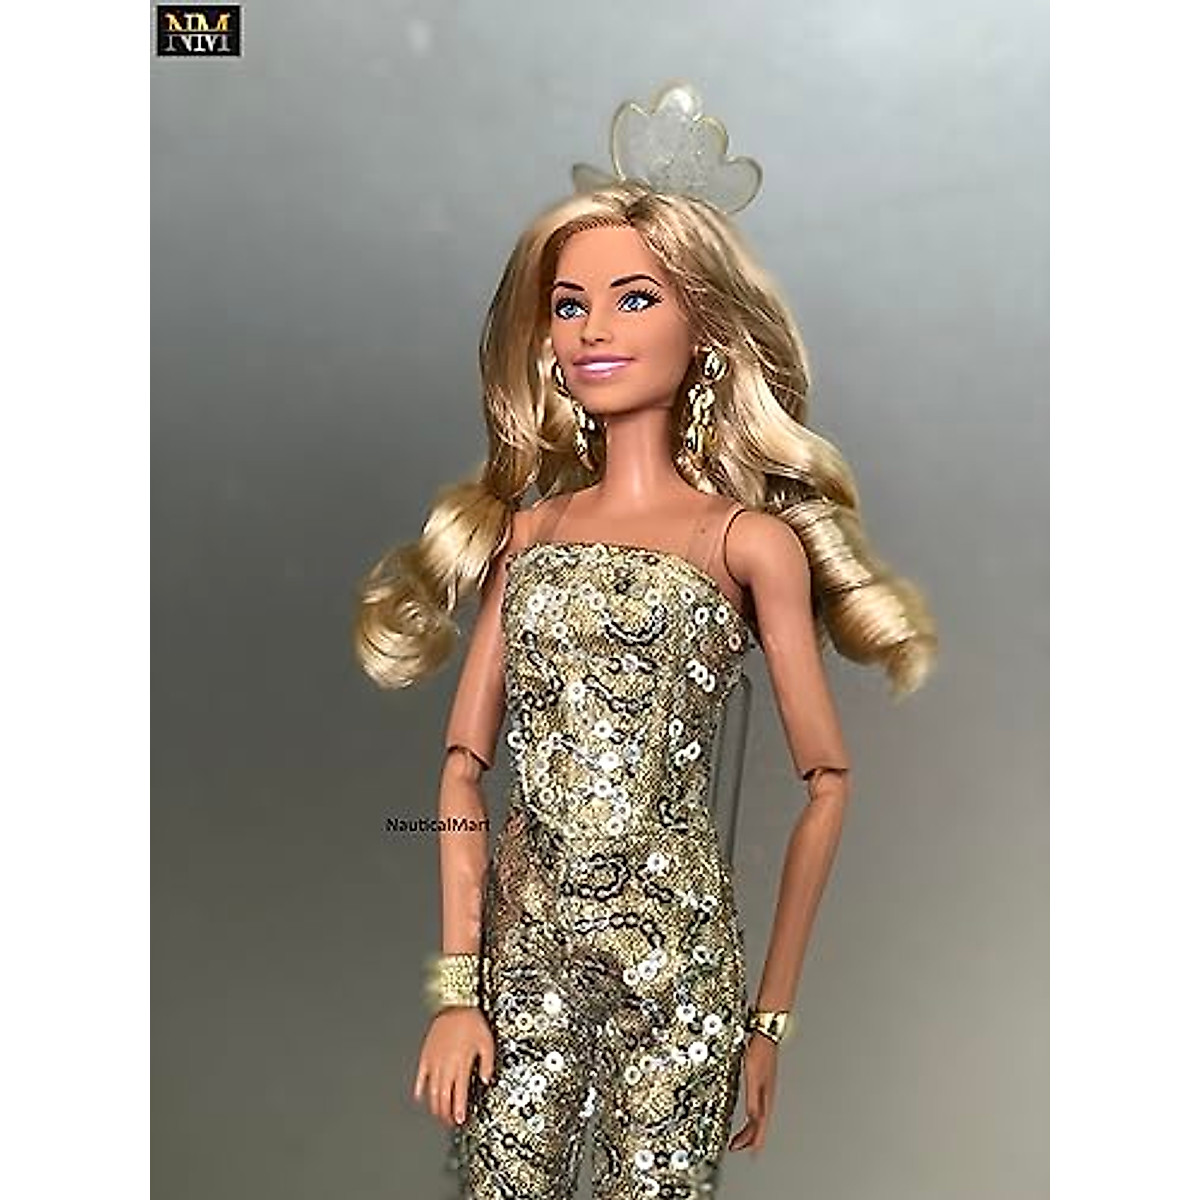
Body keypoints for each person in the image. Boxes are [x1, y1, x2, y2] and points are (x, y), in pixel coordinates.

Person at [354, 83, 937, 1200]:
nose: (594, 331)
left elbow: (826, 782)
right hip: (521, 968)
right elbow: (462, 770)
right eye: (569, 306)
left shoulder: (747, 543)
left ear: (703, 325)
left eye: (633, 298)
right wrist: (455, 990)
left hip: (679, 975)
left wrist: (768, 1021)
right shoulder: (528, 534)